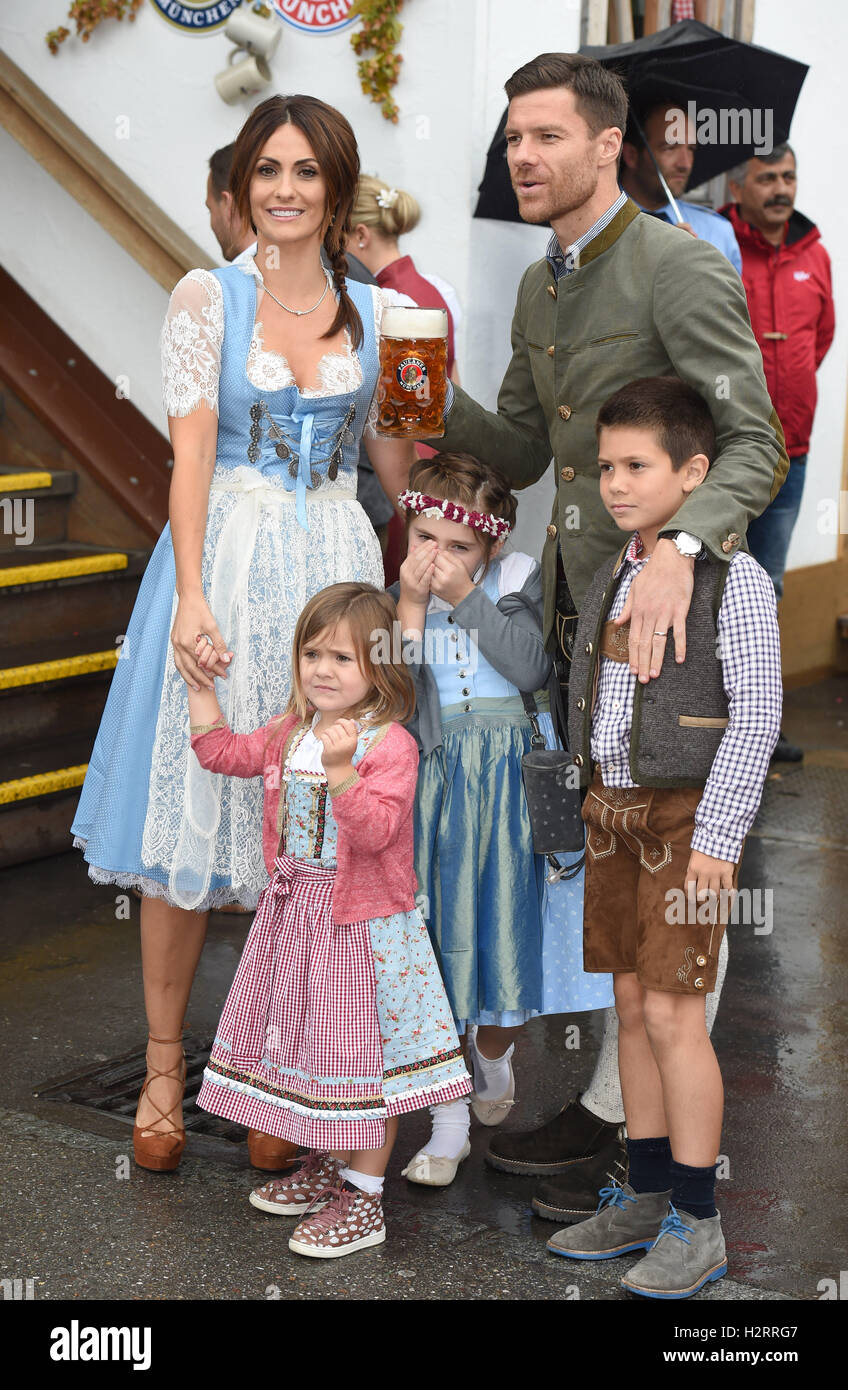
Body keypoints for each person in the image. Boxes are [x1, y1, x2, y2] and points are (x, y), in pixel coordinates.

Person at [435, 52, 788, 1217]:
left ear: (605, 144)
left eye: (544, 136)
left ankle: (655, 1156)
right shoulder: (542, 290)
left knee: (684, 851)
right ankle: (620, 1122)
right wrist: (418, 388)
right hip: (583, 626)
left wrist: (682, 550)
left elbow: (753, 442)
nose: (522, 158)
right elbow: (529, 454)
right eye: (511, 141)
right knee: (609, 863)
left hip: (672, 626)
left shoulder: (676, 266)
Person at [71, 95, 416, 1173]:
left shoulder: (388, 316)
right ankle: (168, 1067)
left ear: (336, 187)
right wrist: (188, 595)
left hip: (336, 575)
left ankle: (280, 1071)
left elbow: (401, 468)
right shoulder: (202, 296)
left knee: (312, 831)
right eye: (268, 168)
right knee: (188, 837)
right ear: (243, 185)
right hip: (221, 557)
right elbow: (185, 455)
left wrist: (444, 537)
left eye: (306, 171)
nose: (284, 189)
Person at [546, 377, 781, 1297]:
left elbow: (756, 716)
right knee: (632, 1010)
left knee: (680, 1017)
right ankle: (646, 1194)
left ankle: (698, 1218)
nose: (614, 483)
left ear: (695, 472)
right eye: (605, 466)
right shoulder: (614, 569)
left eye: (635, 466)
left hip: (688, 828)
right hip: (615, 822)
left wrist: (720, 841)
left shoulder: (737, 578)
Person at [187, 582, 470, 1258]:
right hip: (298, 918)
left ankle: (365, 1200)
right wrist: (200, 687)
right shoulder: (293, 730)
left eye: (342, 657)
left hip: (362, 929)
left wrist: (342, 770)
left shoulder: (390, 745)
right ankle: (329, 1165)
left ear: (380, 666)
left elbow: (374, 833)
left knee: (361, 1062)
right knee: (316, 1052)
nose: (322, 669)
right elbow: (222, 753)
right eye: (312, 653)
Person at [390, 454, 612, 1187]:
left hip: (512, 785)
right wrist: (415, 611)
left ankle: (493, 1055)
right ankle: (447, 1124)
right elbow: (398, 691)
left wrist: (466, 598)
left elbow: (527, 669)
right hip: (442, 785)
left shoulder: (515, 580)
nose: (438, 559)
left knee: (507, 934)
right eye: (426, 539)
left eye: (459, 546)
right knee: (440, 938)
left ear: (491, 545)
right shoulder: (400, 600)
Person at [723, 145, 835, 761]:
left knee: (768, 588)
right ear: (739, 188)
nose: (781, 188)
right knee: (719, 583)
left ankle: (760, 723)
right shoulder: (716, 243)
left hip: (791, 451)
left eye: (788, 176)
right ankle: (709, 721)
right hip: (727, 451)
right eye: (767, 178)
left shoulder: (814, 252)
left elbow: (819, 339)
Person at [350, 174, 461, 382]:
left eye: (338, 240)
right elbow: (453, 376)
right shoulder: (439, 288)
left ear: (361, 236)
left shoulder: (384, 301)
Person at [618, 99, 742, 271]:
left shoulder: (718, 232)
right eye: (670, 147)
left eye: (691, 149)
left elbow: (727, 298)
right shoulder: (593, 225)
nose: (685, 164)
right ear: (631, 155)